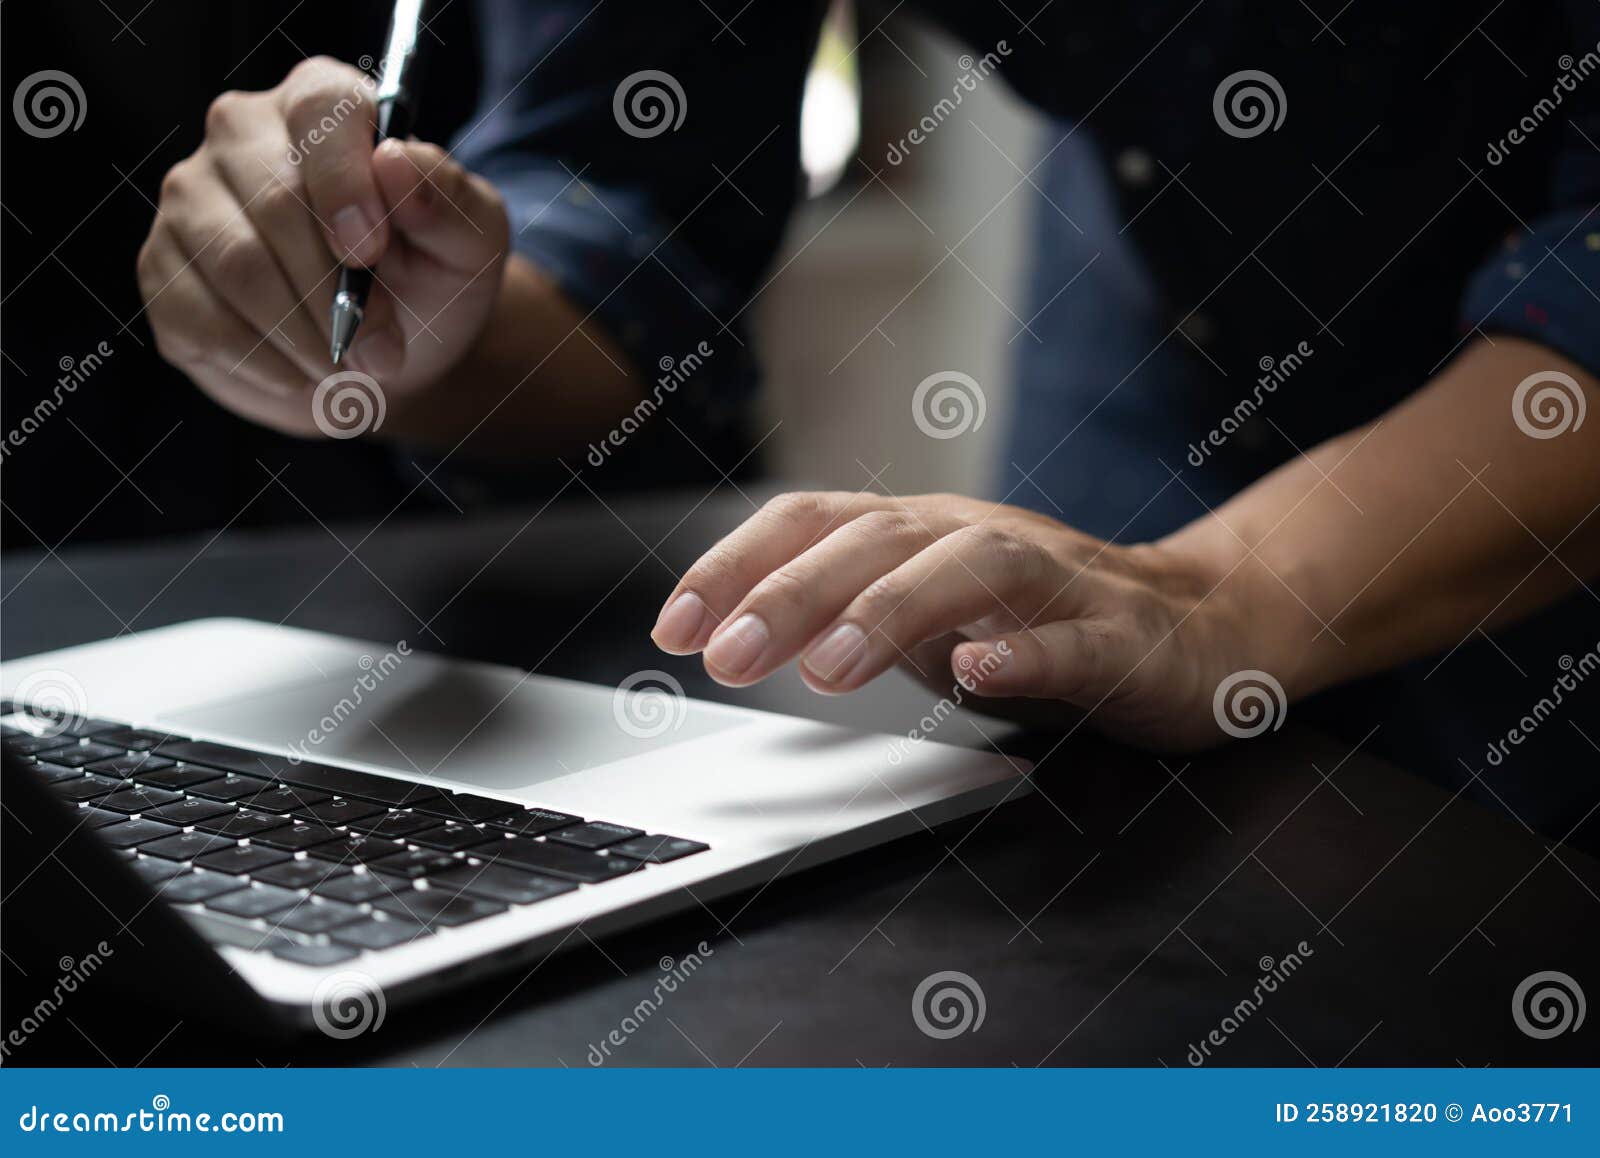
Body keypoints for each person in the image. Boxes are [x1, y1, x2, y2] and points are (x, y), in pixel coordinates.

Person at [138, 3, 1600, 847]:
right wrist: (419, 332)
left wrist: (1231, 592)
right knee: (1090, 854)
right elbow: (630, 194)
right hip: (1170, 286)